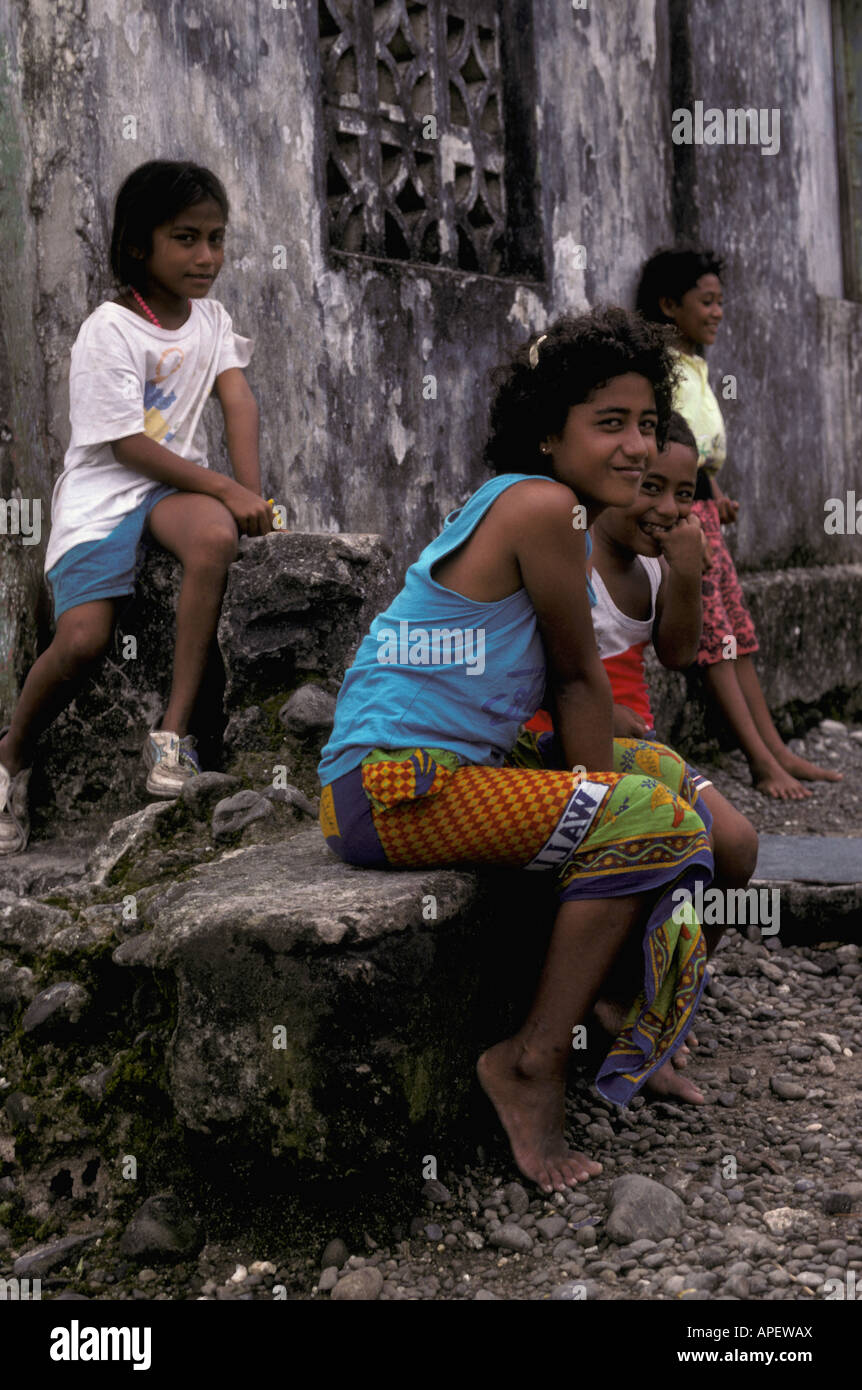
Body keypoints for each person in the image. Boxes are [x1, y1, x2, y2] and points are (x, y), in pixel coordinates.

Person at [318, 307, 717, 1193]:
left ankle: (627, 1016)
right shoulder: (540, 507)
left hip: (461, 777)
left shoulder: (556, 513)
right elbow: (579, 681)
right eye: (608, 424)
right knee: (651, 817)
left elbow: (583, 693)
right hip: (390, 790)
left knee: (681, 800)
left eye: (648, 425)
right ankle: (532, 1062)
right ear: (548, 433)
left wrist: (620, 804)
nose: (638, 447)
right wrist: (615, 818)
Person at [0, 159, 274, 855]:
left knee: (214, 538)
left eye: (217, 239)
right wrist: (222, 485)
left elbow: (237, 400)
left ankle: (172, 736)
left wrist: (250, 497)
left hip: (172, 490)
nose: (206, 256)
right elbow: (126, 445)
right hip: (105, 496)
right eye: (186, 238)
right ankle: (11, 755)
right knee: (85, 639)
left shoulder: (212, 321)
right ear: (137, 247)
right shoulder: (111, 330)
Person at [585, 412, 759, 1096]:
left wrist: (687, 576)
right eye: (649, 486)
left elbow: (679, 653)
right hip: (576, 739)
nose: (666, 509)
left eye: (683, 495)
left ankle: (645, 1003)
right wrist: (608, 715)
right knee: (724, 841)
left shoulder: (657, 563)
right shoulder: (571, 550)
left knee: (738, 850)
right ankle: (626, 1008)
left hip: (638, 745)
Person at [636, 246, 841, 800]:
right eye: (707, 301)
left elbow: (696, 455)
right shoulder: (665, 371)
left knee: (738, 639)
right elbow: (671, 448)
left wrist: (717, 495)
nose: (718, 312)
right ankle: (760, 760)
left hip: (704, 510)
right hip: (683, 519)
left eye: (721, 301)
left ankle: (778, 751)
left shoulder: (696, 368)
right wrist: (692, 502)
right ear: (668, 305)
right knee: (716, 640)